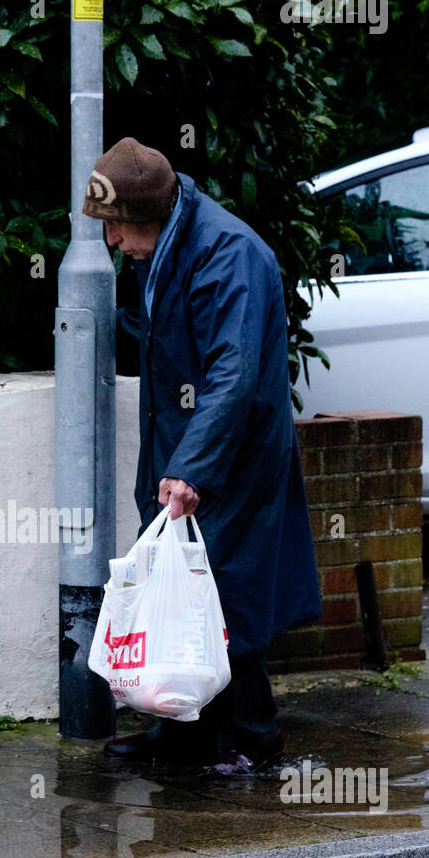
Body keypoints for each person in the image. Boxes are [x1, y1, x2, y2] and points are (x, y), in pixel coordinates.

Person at [83, 136, 322, 776]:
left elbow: (234, 374)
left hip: (231, 453)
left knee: (223, 591)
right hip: (192, 444)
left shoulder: (229, 254)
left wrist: (193, 467)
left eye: (115, 228)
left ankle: (254, 739)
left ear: (146, 214)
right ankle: (185, 737)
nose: (112, 242)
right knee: (181, 584)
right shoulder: (167, 244)